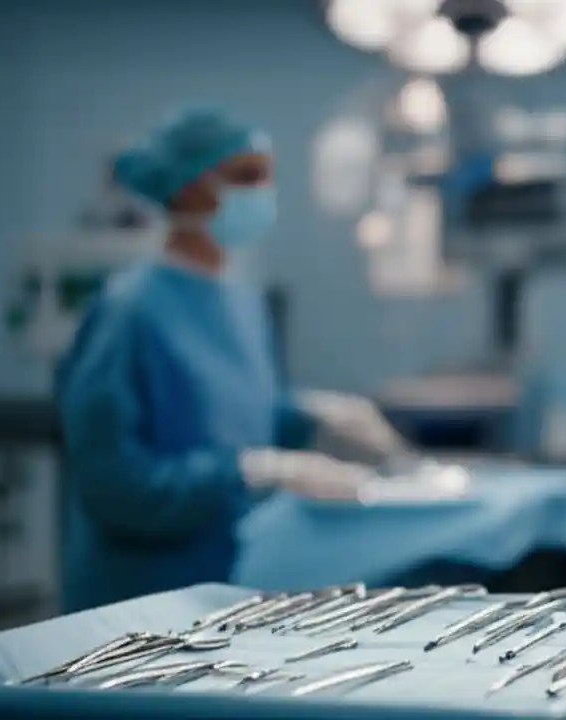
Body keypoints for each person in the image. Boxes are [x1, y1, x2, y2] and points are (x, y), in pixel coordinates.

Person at [57, 108, 409, 612]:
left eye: (267, 176)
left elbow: (240, 414)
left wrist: (317, 419)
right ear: (183, 187)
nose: (263, 192)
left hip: (232, 581)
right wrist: (249, 471)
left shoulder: (241, 303)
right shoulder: (129, 310)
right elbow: (112, 484)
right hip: (135, 599)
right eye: (245, 177)